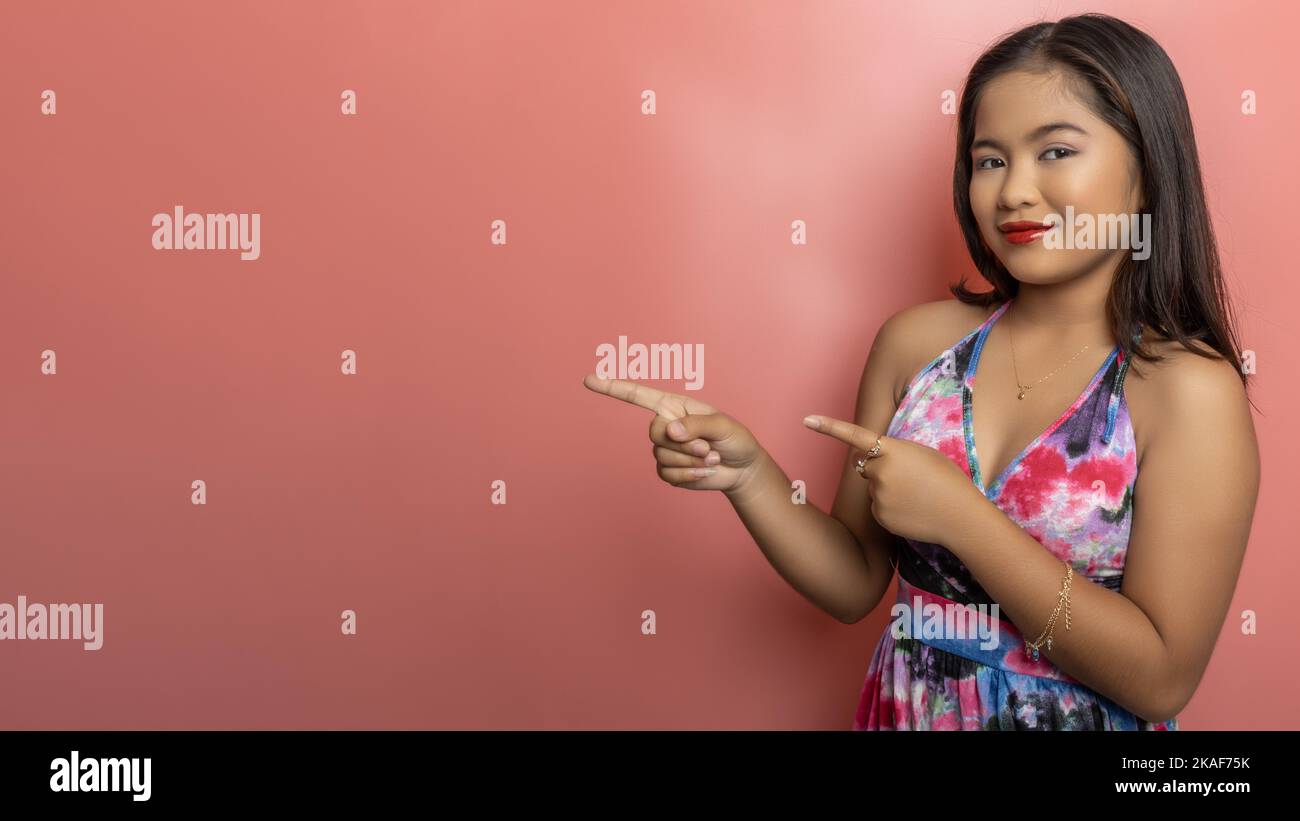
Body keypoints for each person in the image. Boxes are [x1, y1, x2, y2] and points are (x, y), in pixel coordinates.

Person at [582, 13, 1259, 730]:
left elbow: (1160, 681)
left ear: (1147, 172)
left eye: (1055, 151)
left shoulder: (1187, 390)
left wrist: (964, 519)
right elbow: (853, 582)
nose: (1014, 192)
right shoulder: (917, 347)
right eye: (989, 159)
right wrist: (749, 477)